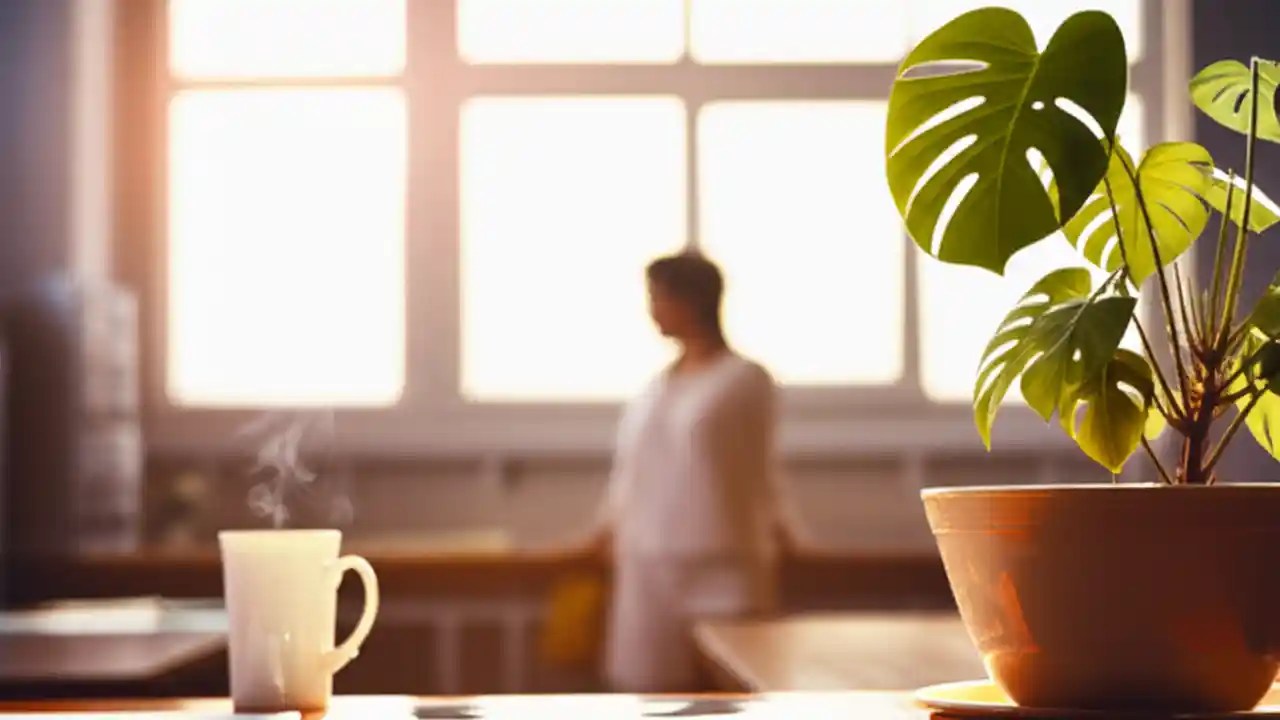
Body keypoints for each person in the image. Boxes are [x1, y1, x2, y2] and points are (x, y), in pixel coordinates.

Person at [590, 252, 803, 693]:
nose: (652, 310)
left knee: (732, 692)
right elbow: (632, 470)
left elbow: (761, 467)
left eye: (658, 297)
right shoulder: (655, 386)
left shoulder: (744, 379)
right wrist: (606, 528)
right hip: (648, 560)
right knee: (649, 696)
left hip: (724, 559)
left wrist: (786, 529)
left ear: (692, 300)